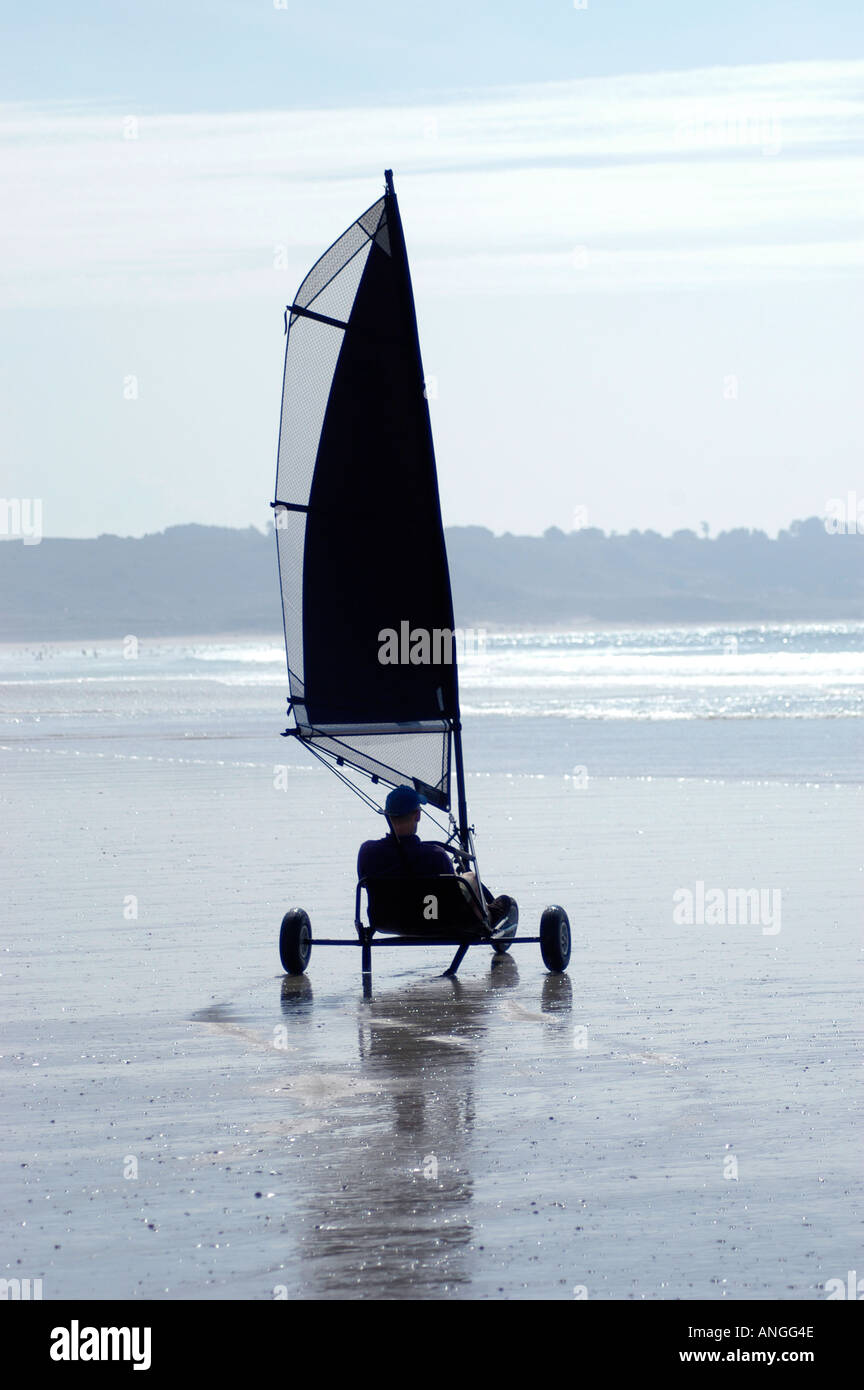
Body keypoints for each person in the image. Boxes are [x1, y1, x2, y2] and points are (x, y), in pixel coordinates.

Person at [357, 785, 511, 926]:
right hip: (433, 921)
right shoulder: (435, 855)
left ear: (386, 815)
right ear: (417, 815)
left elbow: (364, 884)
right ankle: (487, 919)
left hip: (385, 921)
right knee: (469, 877)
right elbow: (453, 898)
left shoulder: (367, 851)